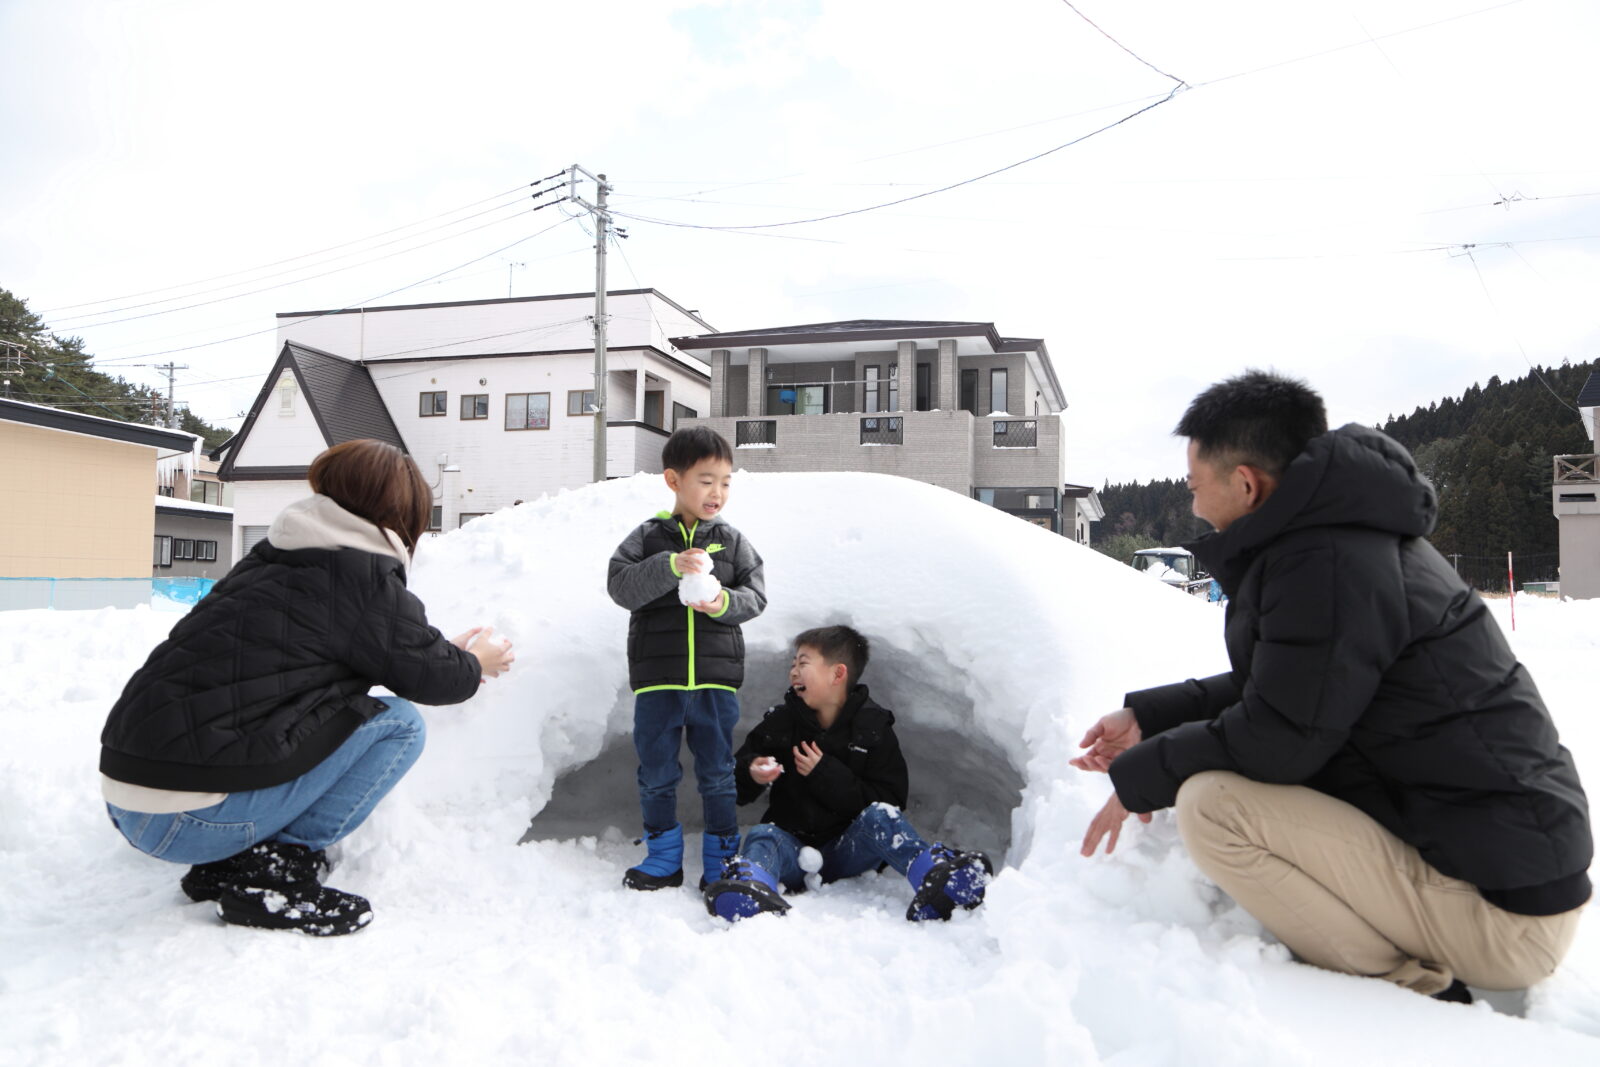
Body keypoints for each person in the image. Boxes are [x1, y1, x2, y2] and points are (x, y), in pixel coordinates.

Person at [1075, 370, 1591, 1002]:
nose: (1193, 506)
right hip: (1505, 871)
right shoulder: (1340, 540)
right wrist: (1152, 719)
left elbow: (1280, 736)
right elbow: (1291, 689)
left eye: (1194, 486)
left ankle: (1409, 992)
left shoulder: (1328, 561)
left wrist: (1146, 774)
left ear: (1245, 483)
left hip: (1505, 915)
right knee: (1214, 785)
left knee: (1213, 808)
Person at [100, 439, 515, 936]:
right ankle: (273, 875)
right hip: (192, 821)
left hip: (131, 804)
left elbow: (365, 646)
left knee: (336, 708)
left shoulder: (272, 559)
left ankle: (229, 863)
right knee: (399, 724)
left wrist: (431, 649)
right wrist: (473, 662)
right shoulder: (359, 576)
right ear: (402, 514)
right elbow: (438, 679)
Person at [704, 625, 991, 923]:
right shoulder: (783, 722)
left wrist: (826, 774)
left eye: (803, 663)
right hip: (791, 852)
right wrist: (752, 771)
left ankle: (936, 879)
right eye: (792, 664)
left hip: (849, 852)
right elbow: (733, 785)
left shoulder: (872, 727)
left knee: (882, 816)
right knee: (764, 836)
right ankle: (752, 889)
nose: (793, 672)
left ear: (837, 674)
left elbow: (890, 800)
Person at [607, 426, 767, 891]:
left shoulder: (734, 543)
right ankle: (663, 857)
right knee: (656, 771)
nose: (717, 492)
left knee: (718, 771)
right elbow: (621, 587)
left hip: (716, 682)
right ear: (673, 480)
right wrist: (670, 565)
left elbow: (754, 598)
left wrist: (720, 604)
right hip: (658, 681)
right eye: (706, 479)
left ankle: (721, 857)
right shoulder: (649, 536)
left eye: (726, 481)